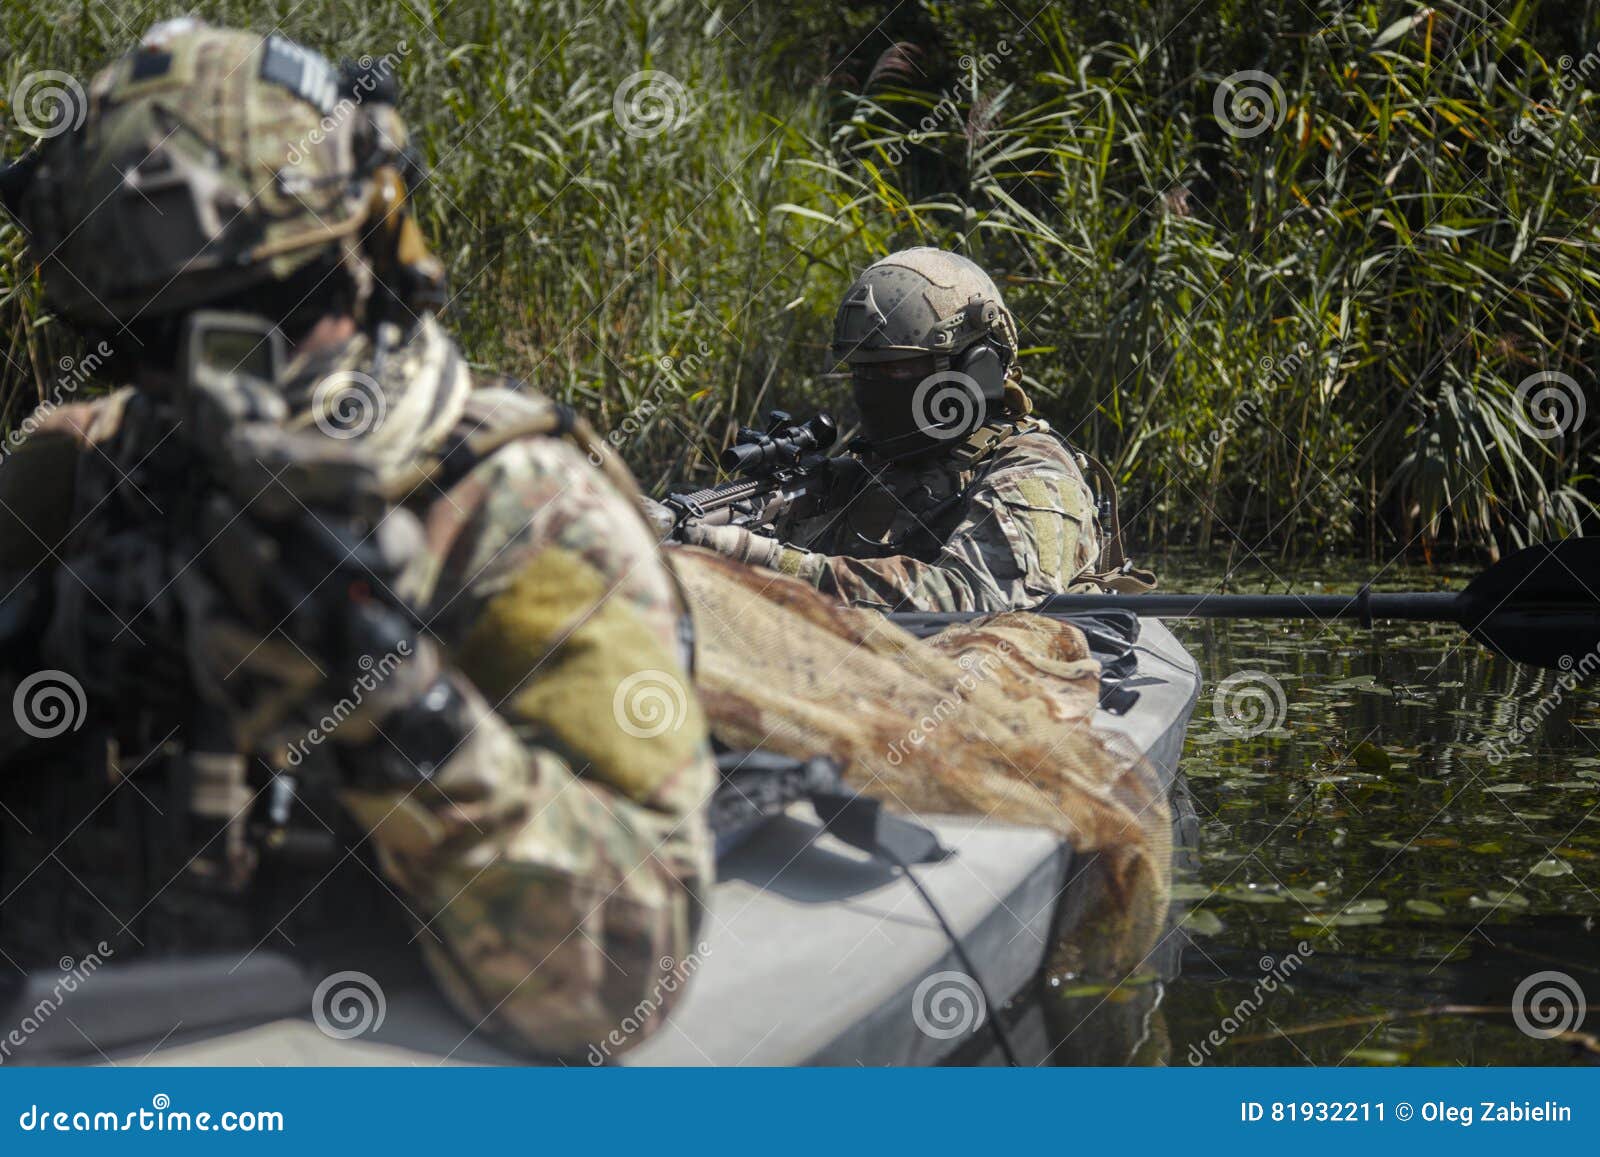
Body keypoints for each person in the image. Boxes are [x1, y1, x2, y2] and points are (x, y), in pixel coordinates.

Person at [0, 21, 712, 1061]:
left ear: (349, 263)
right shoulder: (76, 473)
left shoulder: (513, 511)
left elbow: (622, 974)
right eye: (143, 339)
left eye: (258, 315)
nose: (191, 381)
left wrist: (397, 704)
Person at [679, 247, 1146, 612]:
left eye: (900, 371)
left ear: (976, 367)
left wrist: (758, 557)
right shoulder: (869, 472)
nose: (878, 390)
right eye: (866, 372)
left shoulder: (1034, 471)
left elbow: (975, 601)